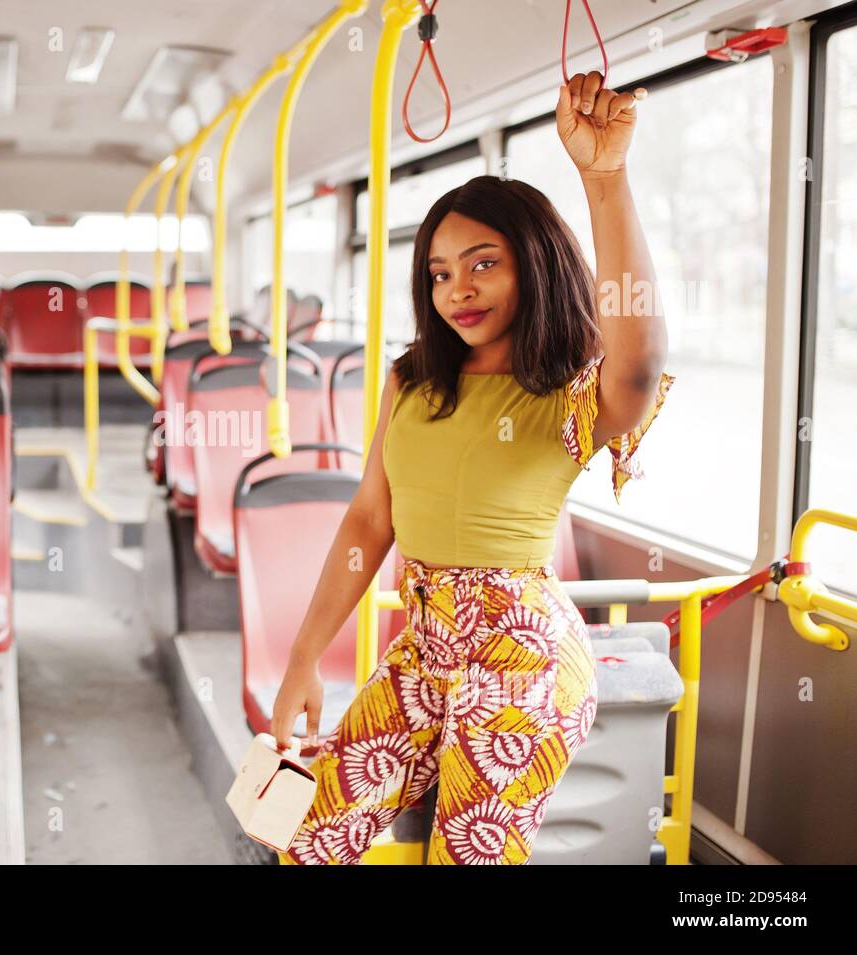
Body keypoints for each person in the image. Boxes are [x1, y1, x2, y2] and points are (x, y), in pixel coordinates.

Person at [271, 71, 675, 866]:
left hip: (523, 654)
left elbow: (642, 361)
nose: (458, 288)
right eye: (440, 271)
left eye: (483, 263)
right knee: (305, 832)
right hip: (423, 645)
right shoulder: (410, 379)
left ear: (534, 264)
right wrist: (302, 655)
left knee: (468, 855)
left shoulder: (569, 393)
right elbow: (368, 522)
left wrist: (604, 178)